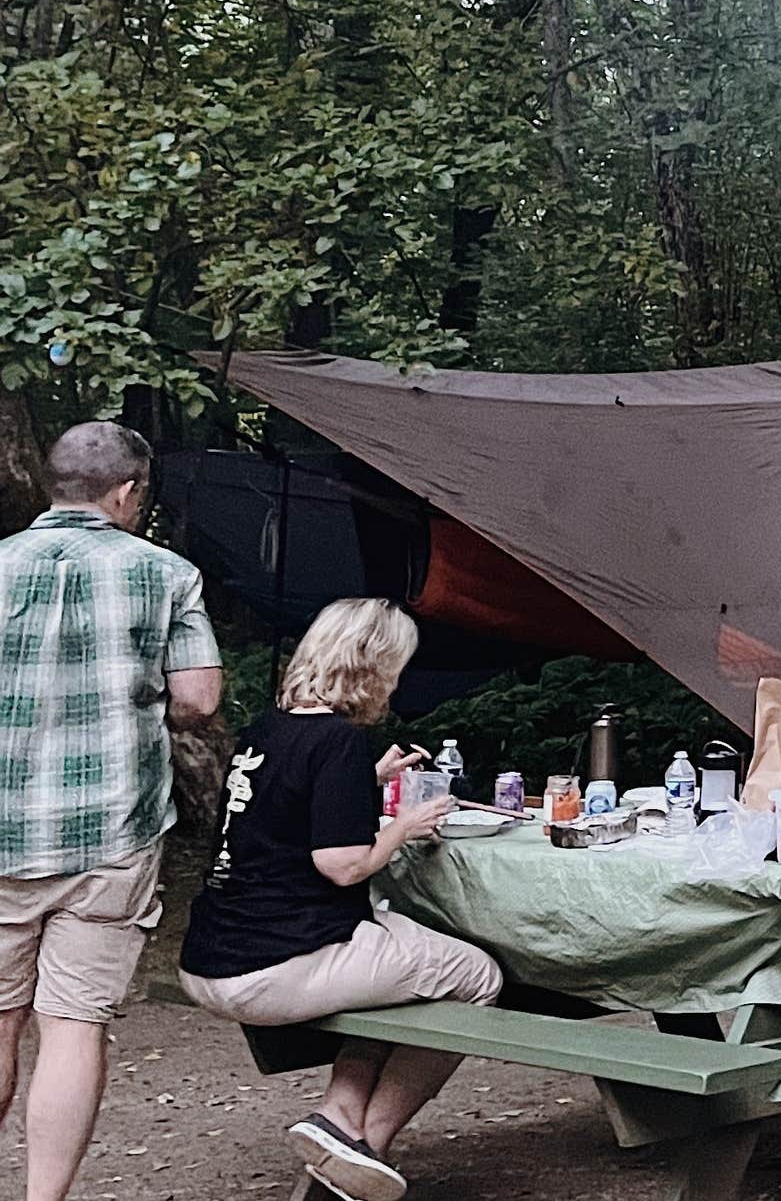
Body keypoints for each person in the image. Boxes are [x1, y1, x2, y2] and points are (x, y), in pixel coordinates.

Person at [179, 598, 499, 1201]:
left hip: (211, 954)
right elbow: (344, 866)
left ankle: (340, 1119)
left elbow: (287, 806)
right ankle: (365, 1145)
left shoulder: (270, 729)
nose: (398, 681)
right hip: (272, 965)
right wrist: (403, 826)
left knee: (404, 966)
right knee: (475, 976)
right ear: (372, 667)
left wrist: (365, 781)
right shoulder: (338, 741)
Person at [0, 420, 224, 1201]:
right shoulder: (166, 574)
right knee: (72, 1024)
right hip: (110, 834)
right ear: (126, 493)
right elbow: (199, 697)